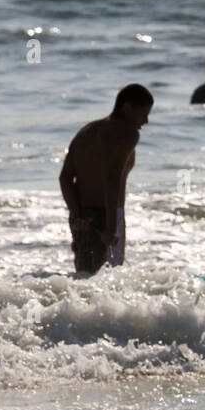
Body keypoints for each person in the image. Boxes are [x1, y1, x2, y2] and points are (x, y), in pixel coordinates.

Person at [58, 84, 152, 274]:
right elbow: (112, 177)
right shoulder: (128, 133)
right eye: (144, 113)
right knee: (107, 281)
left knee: (84, 279)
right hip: (106, 216)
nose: (146, 120)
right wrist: (110, 227)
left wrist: (76, 214)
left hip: (82, 216)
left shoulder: (86, 131)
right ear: (127, 108)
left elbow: (65, 178)